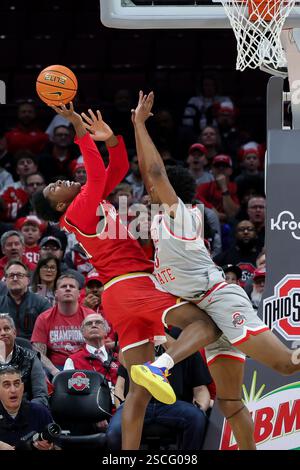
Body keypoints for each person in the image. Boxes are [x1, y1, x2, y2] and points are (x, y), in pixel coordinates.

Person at [32, 102, 220, 450]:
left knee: (138, 394)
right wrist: (79, 129)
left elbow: (114, 168)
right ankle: (163, 365)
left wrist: (112, 141)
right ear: (59, 205)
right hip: (133, 285)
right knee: (207, 324)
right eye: (54, 187)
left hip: (119, 297)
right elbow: (99, 175)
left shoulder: (87, 203)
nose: (60, 181)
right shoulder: (77, 209)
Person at [130, 91, 300, 451]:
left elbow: (154, 171)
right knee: (229, 402)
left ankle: (161, 366)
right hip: (206, 313)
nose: (147, 193)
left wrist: (139, 125)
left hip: (221, 302)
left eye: (151, 191)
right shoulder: (159, 225)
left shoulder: (181, 215)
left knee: (286, 365)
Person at [107, 330, 211, 451]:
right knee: (114, 432)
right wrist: (121, 406)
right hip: (136, 403)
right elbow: (119, 386)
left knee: (197, 418)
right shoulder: (135, 351)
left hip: (173, 405)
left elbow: (200, 389)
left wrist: (201, 407)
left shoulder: (187, 352)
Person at [31, 274, 95, 378]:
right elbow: (38, 352)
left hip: (85, 364)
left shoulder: (90, 316)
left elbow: (98, 346)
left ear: (79, 293)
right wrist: (54, 371)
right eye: (64, 286)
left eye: (72, 286)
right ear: (56, 293)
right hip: (56, 367)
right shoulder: (44, 318)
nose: (68, 289)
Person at [0, 313, 48, 407]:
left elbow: (41, 396)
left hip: (26, 412)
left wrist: (24, 410)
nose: (3, 333)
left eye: (6, 329)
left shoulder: (31, 358)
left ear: (14, 333)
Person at [0, 366, 54, 450]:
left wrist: (50, 448)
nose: (13, 390)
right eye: (7, 385)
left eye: (17, 384)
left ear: (22, 387)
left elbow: (57, 446)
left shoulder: (40, 412)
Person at [0, 260, 51, 339]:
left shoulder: (42, 303)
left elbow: (49, 332)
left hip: (33, 347)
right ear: (5, 280)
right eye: (11, 275)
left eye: (19, 275)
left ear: (28, 280)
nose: (15, 278)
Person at [213, 220, 261, 288]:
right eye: (241, 230)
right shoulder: (225, 257)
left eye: (250, 229)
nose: (246, 232)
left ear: (256, 234)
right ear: (235, 234)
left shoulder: (262, 257)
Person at [195, 154, 240, 223]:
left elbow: (232, 213)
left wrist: (224, 187)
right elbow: (195, 197)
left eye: (224, 166)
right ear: (212, 170)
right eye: (217, 166)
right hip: (209, 223)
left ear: (230, 170)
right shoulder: (205, 186)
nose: (221, 169)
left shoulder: (235, 187)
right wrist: (212, 209)